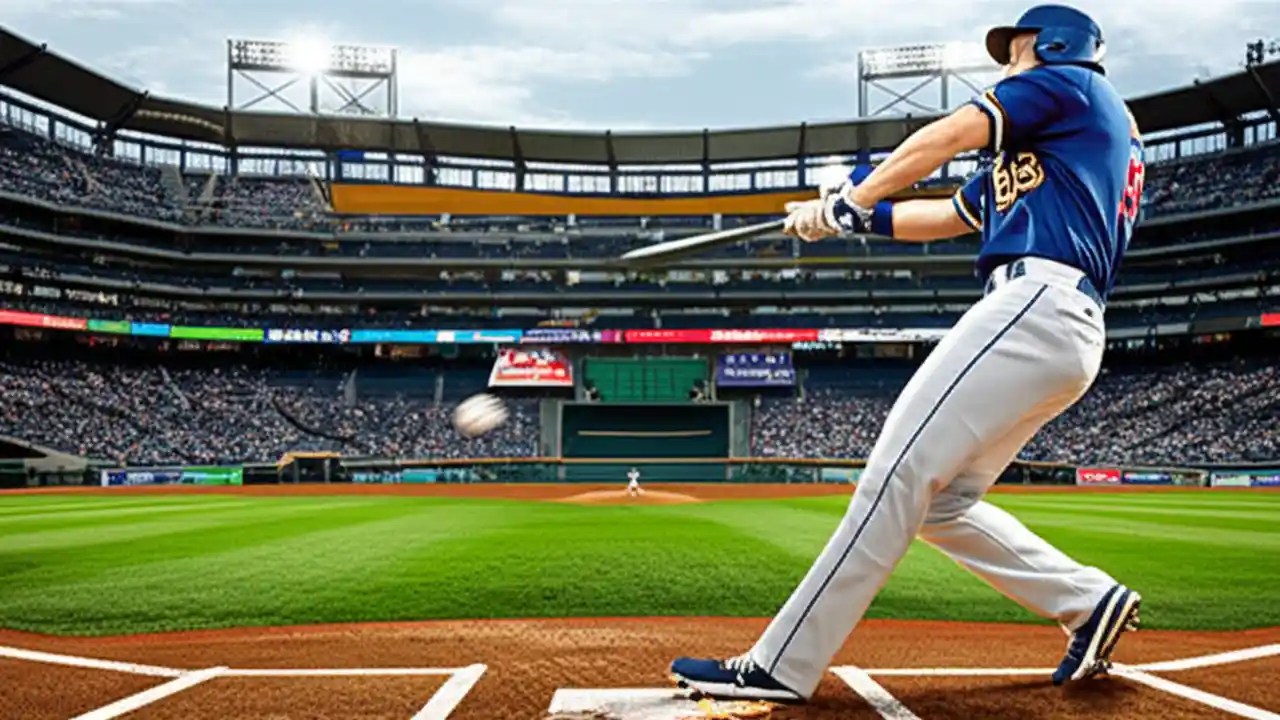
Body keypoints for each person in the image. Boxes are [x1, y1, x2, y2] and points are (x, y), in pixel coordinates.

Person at [672, 4, 1145, 702]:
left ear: (1052, 44)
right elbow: (950, 215)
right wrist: (850, 217)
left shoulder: (1067, 83)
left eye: (1014, 50)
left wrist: (851, 196)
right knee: (942, 504)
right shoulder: (1062, 140)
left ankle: (779, 665)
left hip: (1038, 302)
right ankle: (1088, 600)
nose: (1006, 65)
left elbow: (949, 133)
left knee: (892, 476)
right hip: (1061, 324)